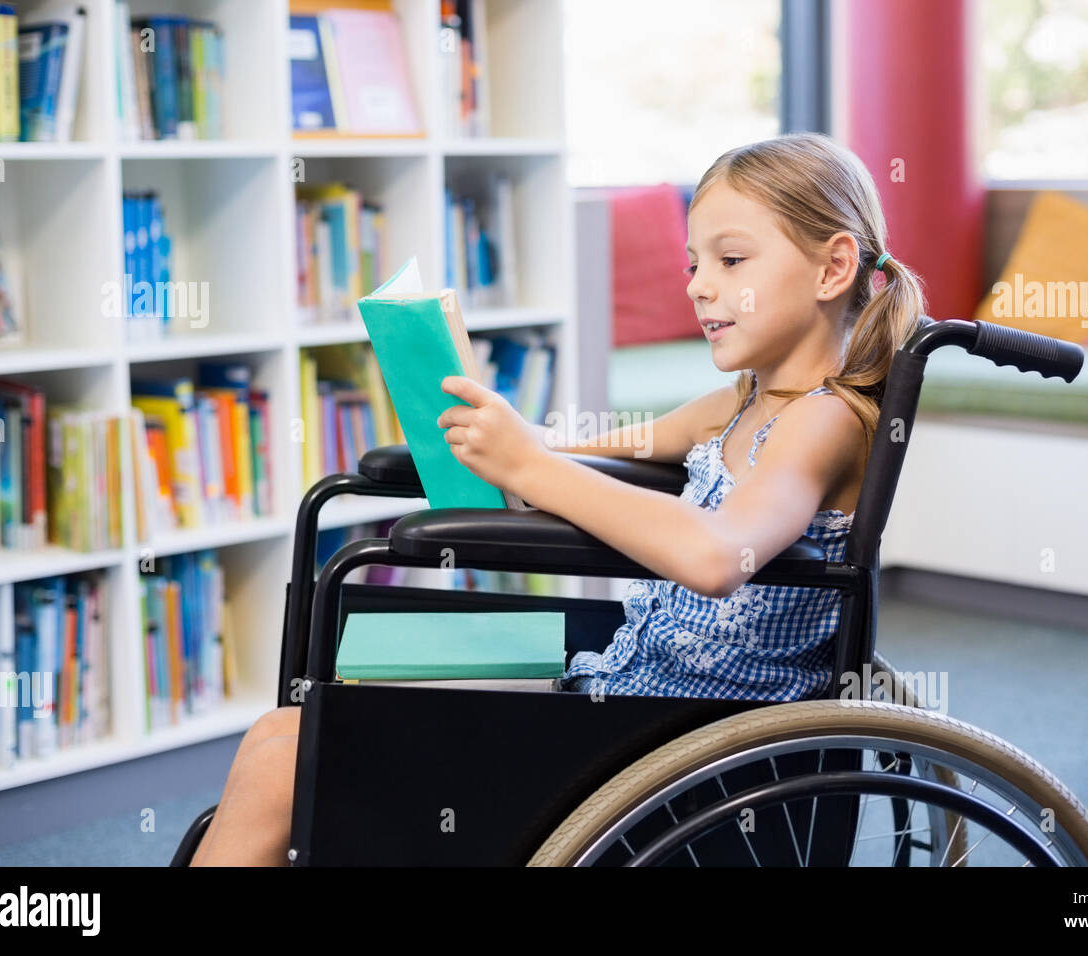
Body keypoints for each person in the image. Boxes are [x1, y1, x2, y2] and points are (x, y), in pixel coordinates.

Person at [189, 131, 925, 866]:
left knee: (287, 759)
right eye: (695, 263)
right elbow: (582, 445)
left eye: (731, 261)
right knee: (283, 738)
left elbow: (716, 554)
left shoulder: (823, 422)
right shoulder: (738, 403)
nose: (699, 284)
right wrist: (502, 438)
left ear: (833, 267)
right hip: (627, 697)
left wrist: (533, 468)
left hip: (680, 754)